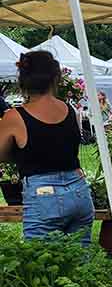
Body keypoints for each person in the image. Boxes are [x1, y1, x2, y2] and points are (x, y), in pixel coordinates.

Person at [0, 50, 95, 244]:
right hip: (79, 189)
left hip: (43, 194)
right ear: (55, 78)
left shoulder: (14, 117)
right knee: (80, 264)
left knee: (42, 266)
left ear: (23, 80)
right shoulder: (69, 110)